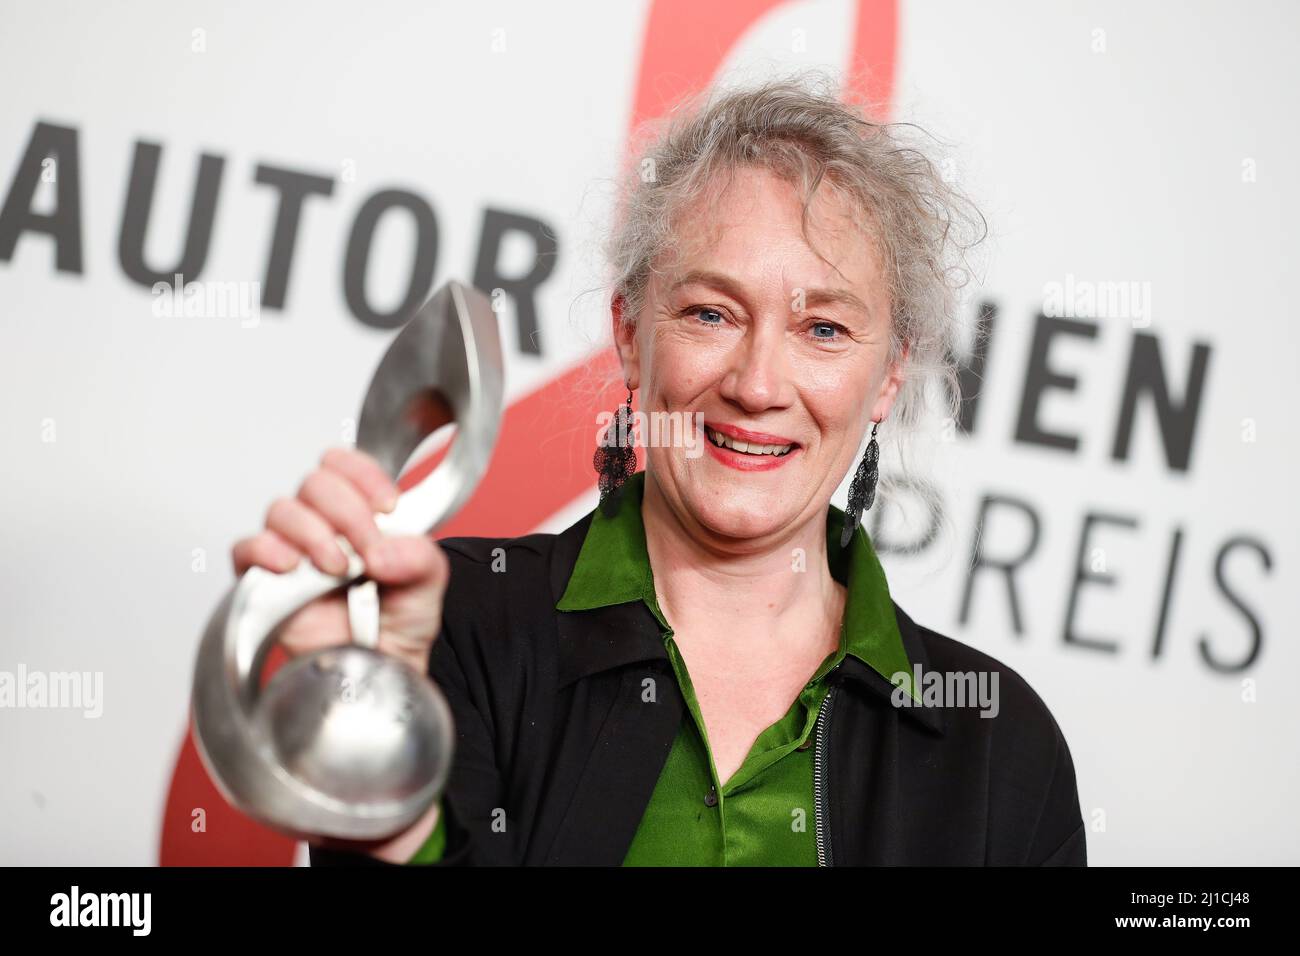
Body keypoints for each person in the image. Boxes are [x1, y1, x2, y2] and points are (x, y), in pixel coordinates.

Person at [232, 71, 1086, 866]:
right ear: (632, 336)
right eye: (711, 313)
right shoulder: (454, 628)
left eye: (824, 329)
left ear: (888, 375)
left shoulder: (998, 749)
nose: (756, 385)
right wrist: (368, 749)